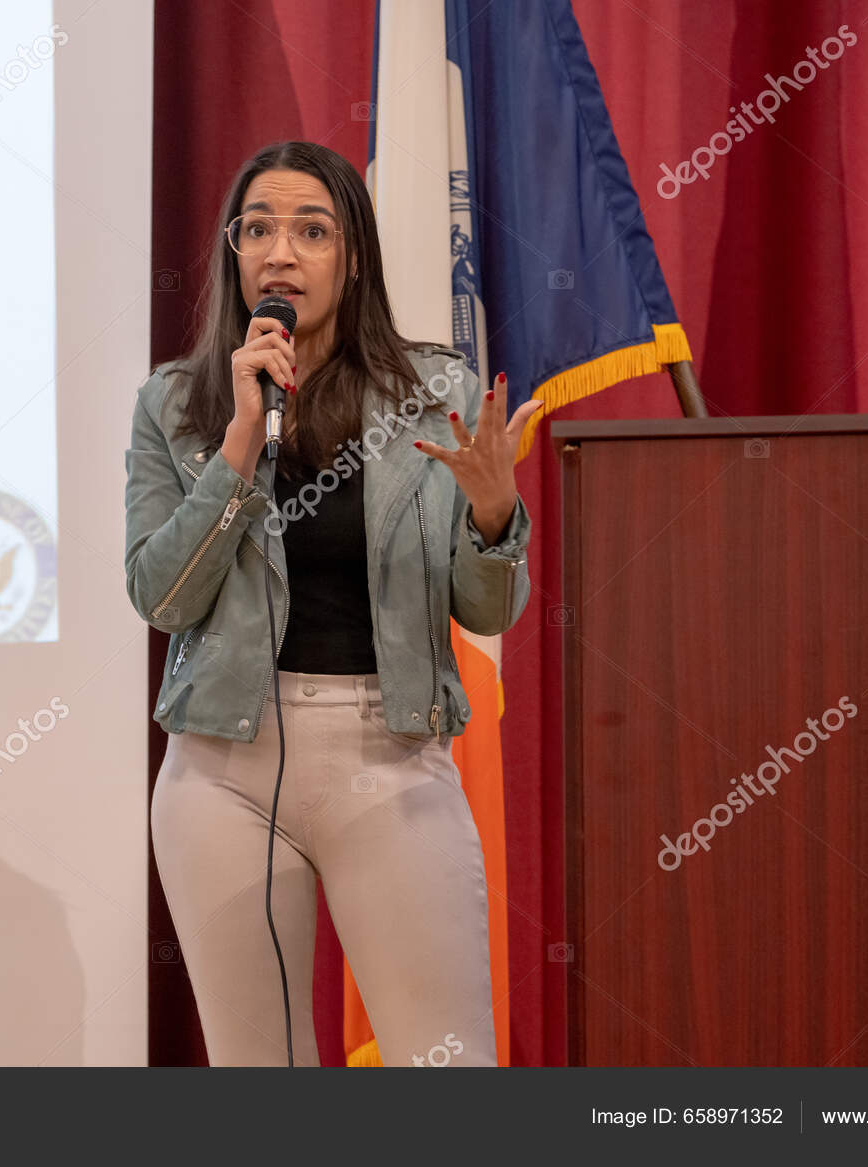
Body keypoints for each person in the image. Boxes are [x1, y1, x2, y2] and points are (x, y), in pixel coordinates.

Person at [124, 140, 539, 1067]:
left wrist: (492, 511)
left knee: (450, 1063)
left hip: (388, 754)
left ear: (353, 257)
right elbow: (162, 596)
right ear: (234, 254)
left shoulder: (434, 394)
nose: (281, 252)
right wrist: (237, 445)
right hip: (220, 769)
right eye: (259, 228)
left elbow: (487, 612)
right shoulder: (176, 405)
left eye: (312, 230)